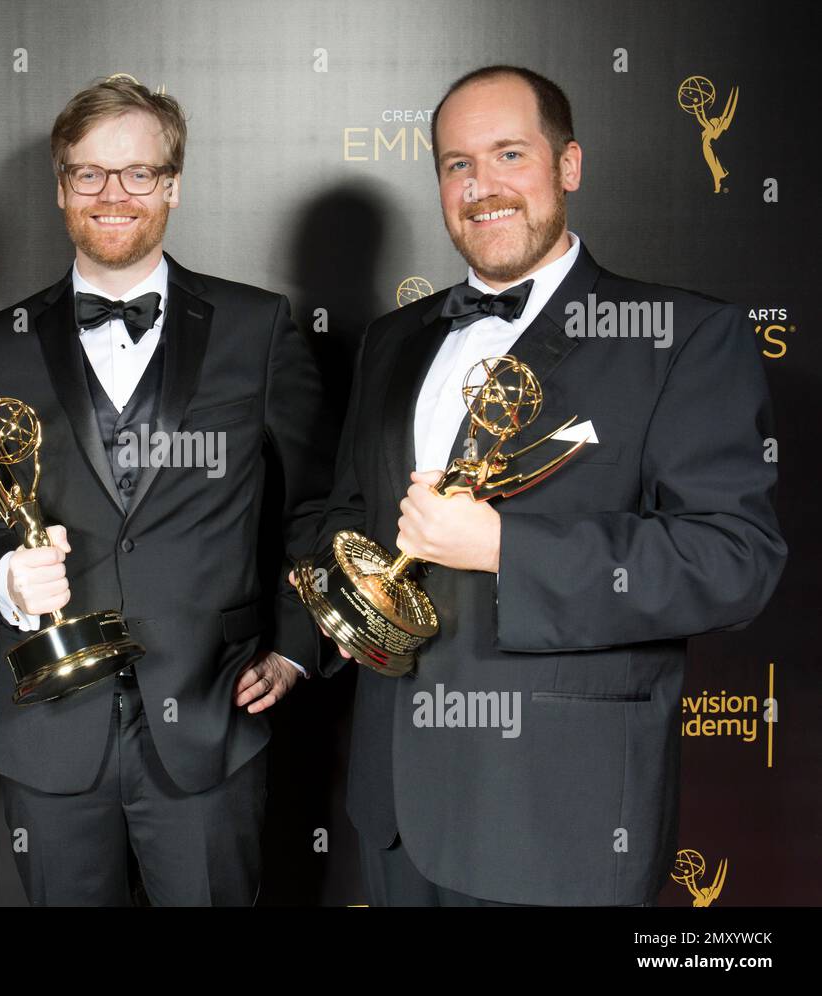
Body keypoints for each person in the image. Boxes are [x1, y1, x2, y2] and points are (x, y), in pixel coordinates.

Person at [313, 65, 786, 906]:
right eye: (458, 165)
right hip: (394, 805)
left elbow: (733, 559)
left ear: (568, 165)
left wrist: (503, 547)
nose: (482, 187)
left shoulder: (683, 336)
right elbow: (352, 507)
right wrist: (347, 600)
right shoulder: (393, 339)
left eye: (509, 155)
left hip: (558, 817)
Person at [0, 77, 330, 905]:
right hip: (49, 726)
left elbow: (312, 506)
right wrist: (4, 578)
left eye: (139, 173)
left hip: (212, 720)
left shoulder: (257, 327)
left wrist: (299, 646)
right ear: (60, 189)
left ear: (174, 184)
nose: (113, 195)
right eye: (89, 174)